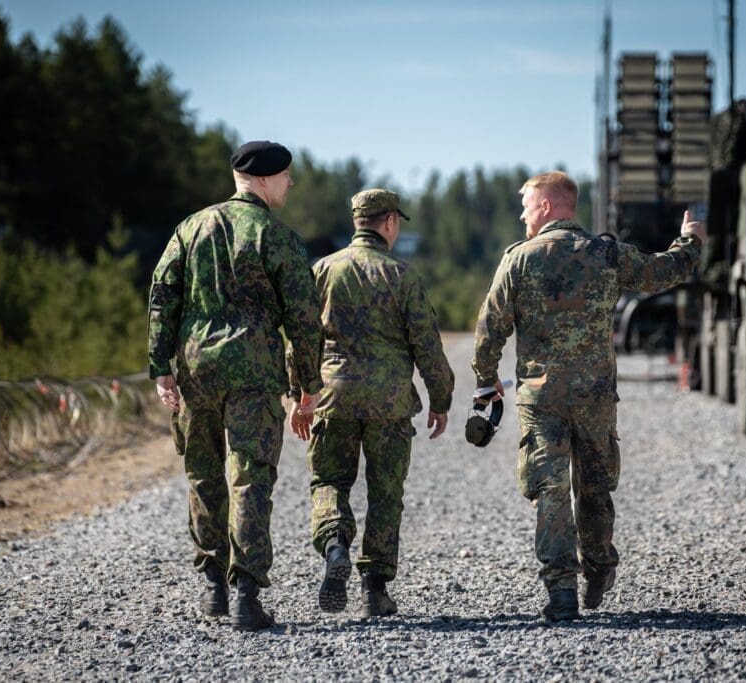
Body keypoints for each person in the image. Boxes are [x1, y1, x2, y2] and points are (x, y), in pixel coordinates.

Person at [471, 171, 704, 623]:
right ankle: (598, 567)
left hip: (541, 400)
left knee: (550, 491)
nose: (522, 214)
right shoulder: (606, 253)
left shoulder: (518, 260)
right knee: (595, 488)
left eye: (526, 205)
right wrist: (689, 240)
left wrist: (485, 381)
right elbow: (665, 271)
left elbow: (489, 326)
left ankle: (561, 593)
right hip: (595, 396)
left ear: (546, 206)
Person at [148, 140, 323, 631]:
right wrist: (307, 385)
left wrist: (160, 365)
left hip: (196, 367)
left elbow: (162, 296)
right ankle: (247, 592)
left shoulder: (191, 228)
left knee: (203, 473)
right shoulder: (278, 237)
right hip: (253, 371)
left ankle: (213, 590)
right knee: (250, 476)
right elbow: (304, 320)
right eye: (286, 176)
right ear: (264, 179)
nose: (290, 184)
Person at [289, 189, 454, 617]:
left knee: (329, 481)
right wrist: (441, 398)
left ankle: (335, 545)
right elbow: (428, 347)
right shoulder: (402, 276)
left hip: (332, 396)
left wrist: (299, 395)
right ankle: (375, 591)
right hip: (390, 402)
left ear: (357, 221)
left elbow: (300, 338)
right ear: (389, 222)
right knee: (385, 493)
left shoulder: (322, 270)